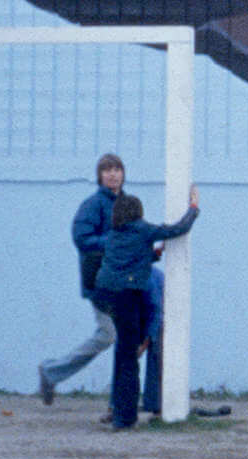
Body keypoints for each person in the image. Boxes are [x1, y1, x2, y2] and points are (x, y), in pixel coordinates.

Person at [39, 154, 160, 416]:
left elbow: (133, 242)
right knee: (110, 335)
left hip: (127, 285)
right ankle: (52, 372)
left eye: (117, 169)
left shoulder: (127, 204)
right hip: (102, 284)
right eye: (107, 170)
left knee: (128, 341)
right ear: (100, 175)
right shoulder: (93, 205)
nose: (113, 174)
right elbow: (82, 238)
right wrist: (115, 242)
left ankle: (117, 404)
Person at [91, 187, 199, 431]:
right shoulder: (143, 229)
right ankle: (124, 418)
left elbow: (127, 259)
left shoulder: (115, 234)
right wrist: (193, 209)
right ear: (137, 213)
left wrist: (153, 254)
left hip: (106, 296)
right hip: (128, 296)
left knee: (122, 353)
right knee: (130, 358)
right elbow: (176, 230)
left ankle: (117, 409)